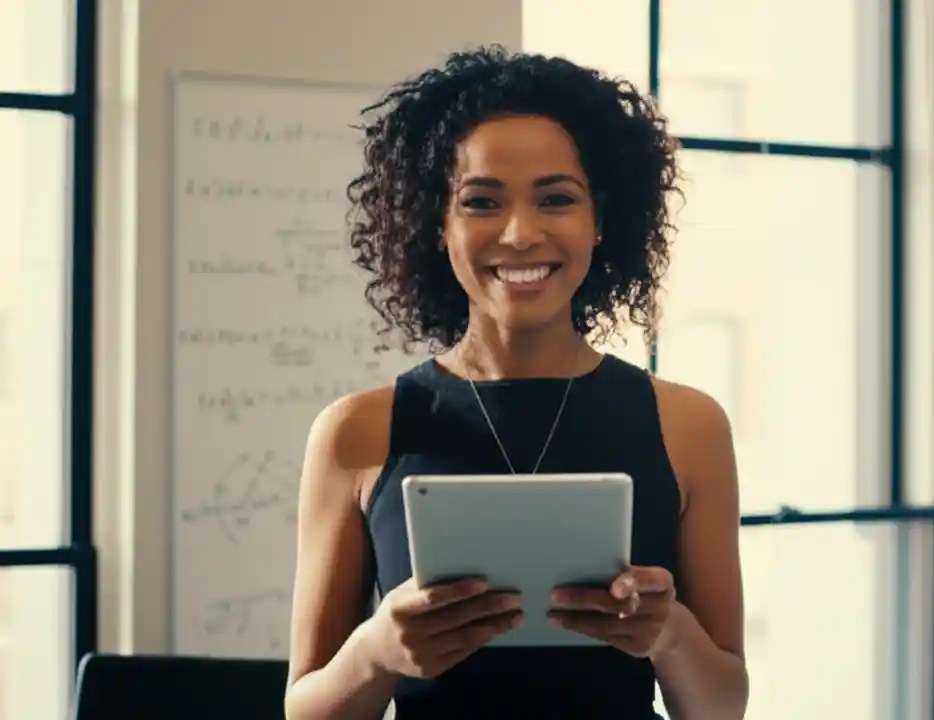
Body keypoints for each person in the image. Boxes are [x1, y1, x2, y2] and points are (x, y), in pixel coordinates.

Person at [283, 46, 748, 719]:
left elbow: (721, 709)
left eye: (557, 199)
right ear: (436, 226)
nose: (521, 233)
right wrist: (376, 653)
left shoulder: (689, 424)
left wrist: (669, 633)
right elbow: (305, 709)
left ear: (601, 222)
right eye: (481, 202)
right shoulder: (356, 431)